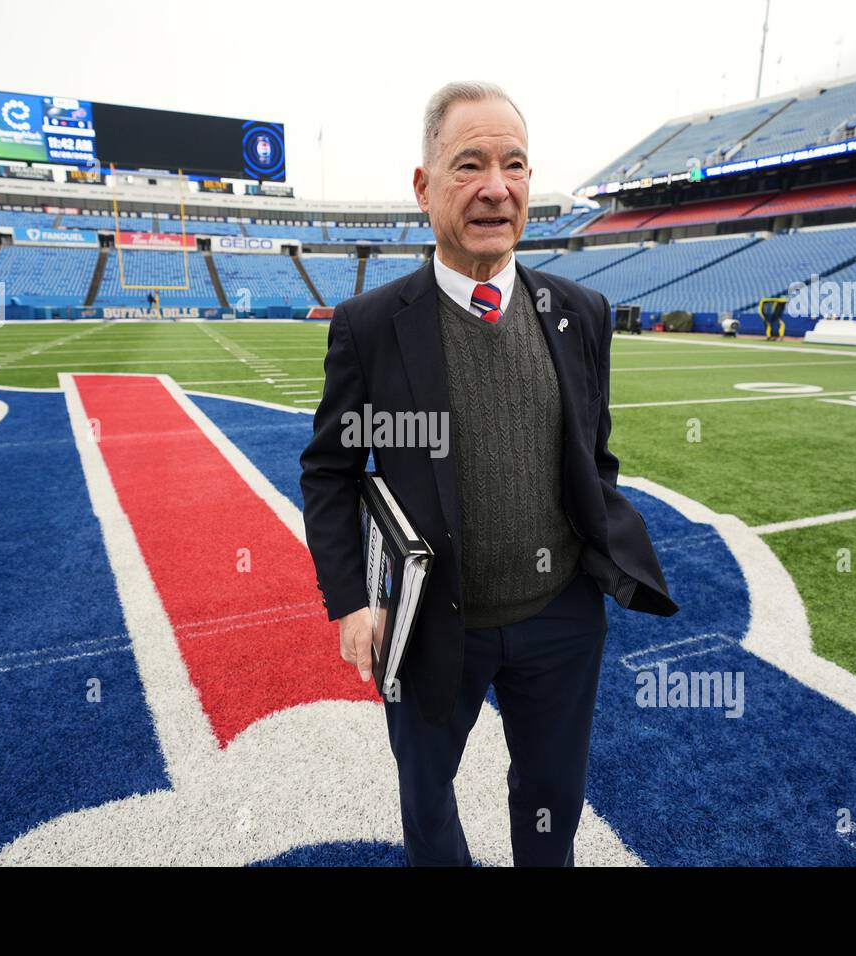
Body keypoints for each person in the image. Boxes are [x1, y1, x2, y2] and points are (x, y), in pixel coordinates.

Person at [298, 81, 678, 867]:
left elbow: (595, 455)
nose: (496, 188)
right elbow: (331, 470)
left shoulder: (583, 312)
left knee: (552, 800)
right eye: (469, 165)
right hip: (432, 621)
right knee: (426, 800)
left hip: (561, 616)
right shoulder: (371, 326)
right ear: (424, 185)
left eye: (515, 165)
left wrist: (597, 546)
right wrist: (351, 604)